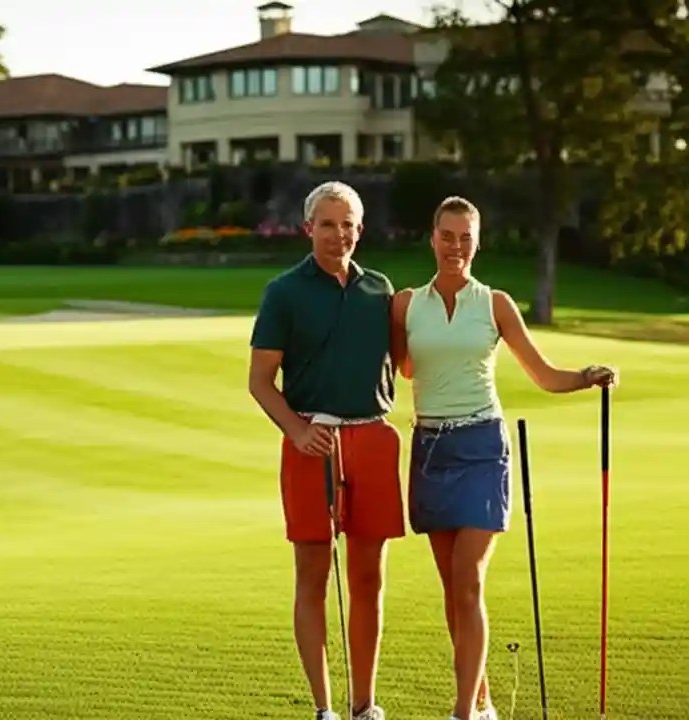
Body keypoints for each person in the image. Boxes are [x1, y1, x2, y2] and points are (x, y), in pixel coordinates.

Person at [389, 196, 617, 720]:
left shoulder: (495, 304)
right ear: (432, 238)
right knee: (453, 591)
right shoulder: (405, 305)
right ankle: (483, 700)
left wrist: (586, 377)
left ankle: (462, 713)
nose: (456, 246)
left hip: (482, 449)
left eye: (466, 237)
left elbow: (543, 374)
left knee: (468, 579)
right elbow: (401, 369)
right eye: (448, 236)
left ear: (477, 242)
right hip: (430, 452)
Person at [249, 181, 404, 720]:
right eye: (328, 224)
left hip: (374, 438)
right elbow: (261, 381)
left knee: (368, 578)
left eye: (348, 225)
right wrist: (295, 430)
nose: (339, 234)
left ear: (360, 229)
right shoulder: (284, 292)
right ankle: (325, 708)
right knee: (313, 576)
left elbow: (405, 360)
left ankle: (365, 705)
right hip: (312, 442)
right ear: (307, 228)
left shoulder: (380, 289)